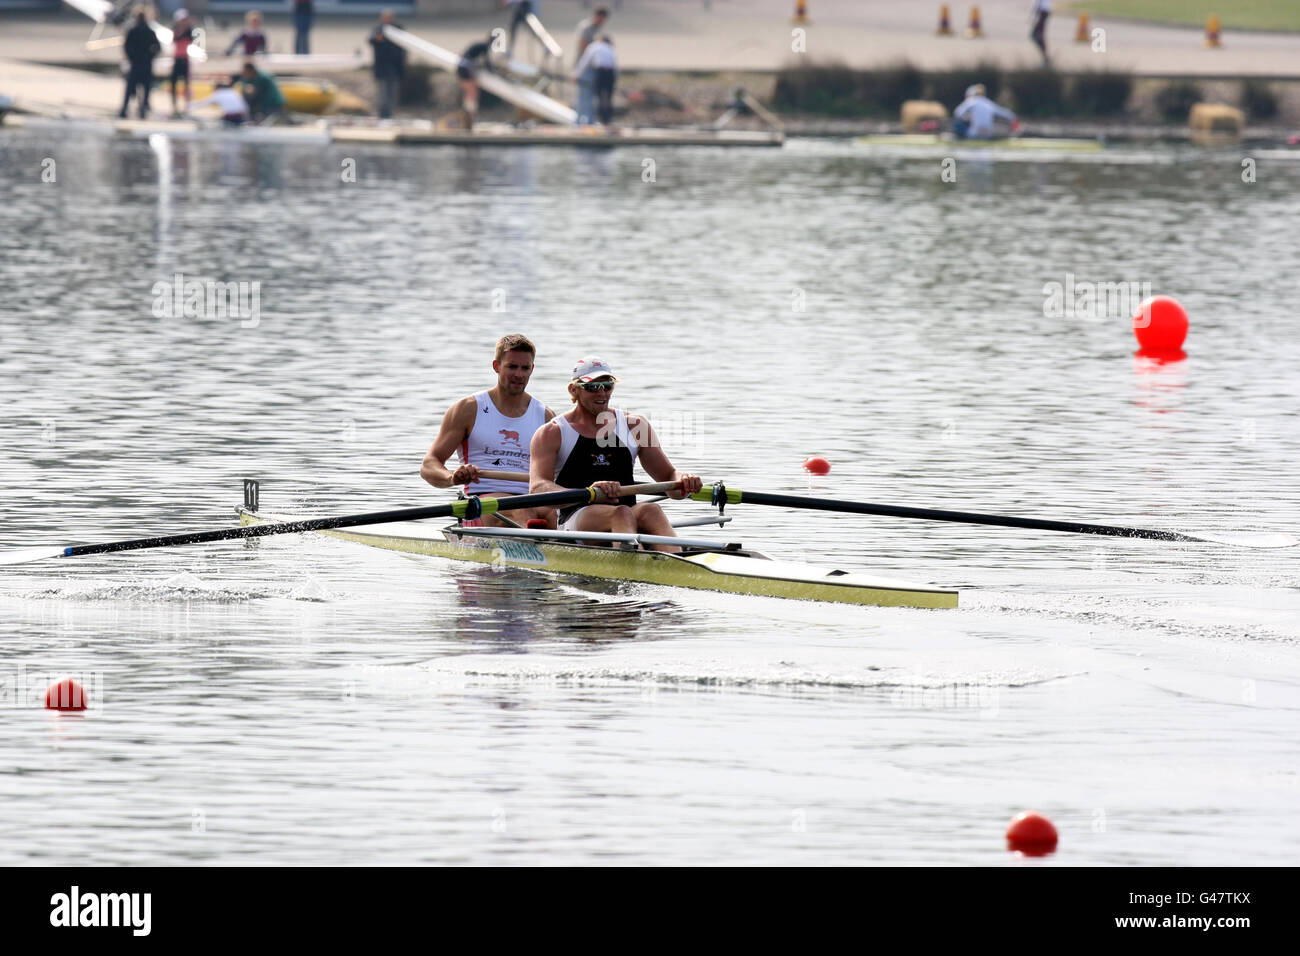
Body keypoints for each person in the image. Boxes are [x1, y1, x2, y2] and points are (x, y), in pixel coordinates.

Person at [529, 357, 703, 552]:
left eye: (607, 385)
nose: (602, 393)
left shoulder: (635, 426)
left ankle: (677, 564)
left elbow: (669, 478)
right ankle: (633, 569)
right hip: (576, 519)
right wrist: (590, 494)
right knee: (621, 513)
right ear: (573, 390)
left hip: (627, 514)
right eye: (592, 387)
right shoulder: (552, 432)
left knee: (651, 510)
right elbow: (537, 487)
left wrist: (684, 480)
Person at [420, 334, 558, 529]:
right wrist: (452, 477)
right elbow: (429, 465)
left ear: (532, 369)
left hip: (532, 499)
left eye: (525, 368)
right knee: (523, 511)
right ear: (496, 366)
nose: (519, 374)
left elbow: (560, 472)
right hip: (482, 503)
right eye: (512, 367)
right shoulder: (468, 409)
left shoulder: (545, 416)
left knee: (559, 513)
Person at [119, 7, 160, 120]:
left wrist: (131, 57)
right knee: (145, 89)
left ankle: (124, 110)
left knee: (130, 88)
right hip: (145, 64)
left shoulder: (133, 31)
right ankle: (142, 110)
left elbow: (126, 47)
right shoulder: (149, 31)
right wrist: (150, 57)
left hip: (136, 64)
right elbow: (157, 47)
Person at [369, 9, 405, 120]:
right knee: (383, 93)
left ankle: (390, 114)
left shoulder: (398, 29)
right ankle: (382, 115)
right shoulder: (379, 29)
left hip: (395, 67)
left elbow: (404, 45)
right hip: (383, 67)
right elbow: (371, 40)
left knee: (393, 93)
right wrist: (378, 39)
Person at [573, 33, 616, 126]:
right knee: (608, 97)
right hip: (610, 73)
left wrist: (577, 75)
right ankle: (607, 120)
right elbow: (614, 63)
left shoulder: (593, 46)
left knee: (600, 97)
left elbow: (585, 61)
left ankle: (600, 118)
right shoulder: (609, 48)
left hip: (601, 72)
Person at [456, 32, 495, 130]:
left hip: (460, 67)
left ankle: (467, 115)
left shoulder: (479, 45)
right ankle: (469, 116)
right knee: (473, 93)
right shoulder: (484, 47)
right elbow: (487, 63)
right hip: (465, 68)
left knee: (468, 93)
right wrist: (492, 72)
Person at [952, 84, 1018, 140]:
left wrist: (967, 118)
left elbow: (957, 112)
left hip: (974, 133)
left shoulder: (971, 101)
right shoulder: (988, 103)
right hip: (988, 134)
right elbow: (1009, 115)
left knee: (957, 124)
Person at [168, 9, 194, 117]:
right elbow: (175, 40)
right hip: (177, 58)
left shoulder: (189, 31)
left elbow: (189, 39)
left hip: (184, 58)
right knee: (173, 83)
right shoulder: (175, 30)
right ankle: (174, 107)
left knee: (186, 84)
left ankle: (187, 106)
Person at [1030, 0, 1051, 66]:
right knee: (1037, 35)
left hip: (1043, 13)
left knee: (1037, 35)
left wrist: (1035, 15)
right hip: (1043, 13)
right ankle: (1045, 56)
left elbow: (1040, 6)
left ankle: (1045, 56)